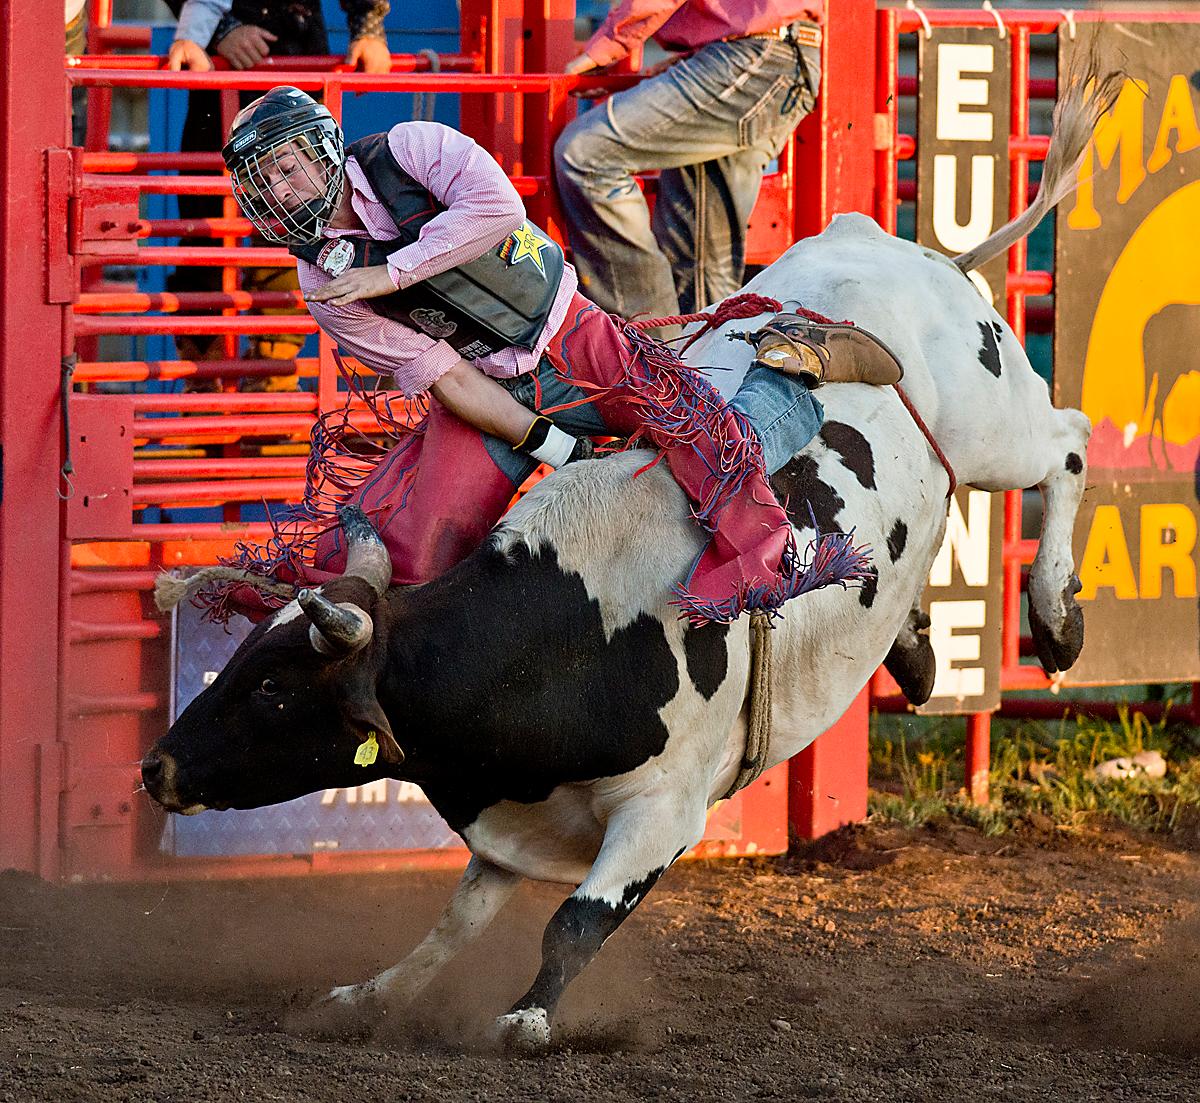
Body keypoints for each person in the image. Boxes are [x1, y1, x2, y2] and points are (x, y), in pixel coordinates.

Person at [216, 87, 900, 624]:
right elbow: (445, 376)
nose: (279, 192)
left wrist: (390, 274)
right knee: (419, 549)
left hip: (570, 332)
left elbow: (497, 210)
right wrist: (555, 448)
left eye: (285, 168)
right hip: (486, 392)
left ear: (322, 149)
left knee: (701, 440)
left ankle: (782, 385)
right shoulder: (321, 284)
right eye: (261, 185)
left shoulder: (409, 147)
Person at [162, 1, 392, 387]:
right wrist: (220, 32)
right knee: (206, 229)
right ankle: (204, 386)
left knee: (302, 226)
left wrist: (368, 26)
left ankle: (269, 380)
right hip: (225, 73)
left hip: (294, 66)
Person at [555, 1, 822, 321]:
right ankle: (699, 349)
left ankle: (650, 336)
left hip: (754, 53)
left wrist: (608, 45)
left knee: (587, 153)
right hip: (771, 54)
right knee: (701, 265)